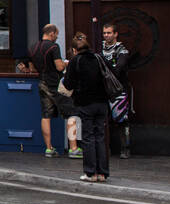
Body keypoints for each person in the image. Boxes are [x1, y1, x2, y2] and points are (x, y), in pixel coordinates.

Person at [63, 34, 109, 182]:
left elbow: (68, 84)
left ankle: (90, 173)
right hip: (102, 102)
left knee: (88, 137)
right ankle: (102, 173)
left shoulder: (75, 61)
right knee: (100, 137)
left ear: (74, 50)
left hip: (85, 103)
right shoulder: (98, 58)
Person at [26, 24, 70, 158]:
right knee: (71, 112)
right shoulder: (53, 47)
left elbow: (32, 69)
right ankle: (73, 147)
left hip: (42, 83)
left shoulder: (32, 48)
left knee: (46, 115)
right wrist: (66, 63)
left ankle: (49, 148)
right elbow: (59, 67)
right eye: (56, 34)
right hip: (56, 84)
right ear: (52, 34)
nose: (57, 37)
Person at [102, 23, 133, 159]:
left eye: (109, 33)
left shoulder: (122, 50)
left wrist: (103, 62)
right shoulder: (100, 49)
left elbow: (119, 69)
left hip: (119, 90)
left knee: (122, 120)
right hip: (103, 89)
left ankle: (125, 148)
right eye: (104, 33)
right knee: (103, 119)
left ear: (115, 34)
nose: (106, 35)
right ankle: (105, 148)